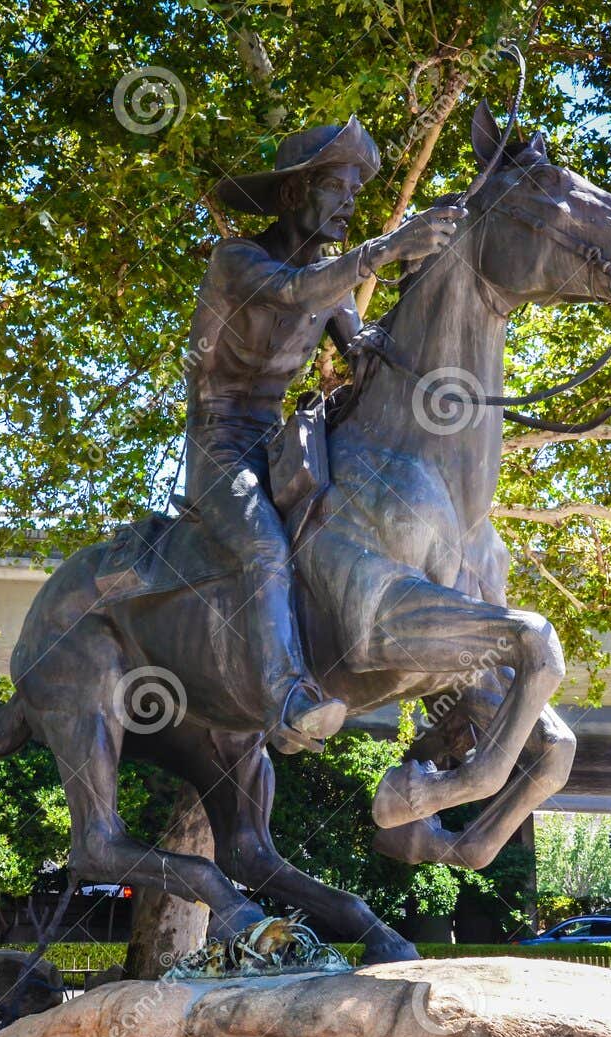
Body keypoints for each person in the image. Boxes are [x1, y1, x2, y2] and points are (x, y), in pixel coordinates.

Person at [186, 117, 465, 752]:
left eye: (355, 196)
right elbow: (289, 292)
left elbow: (370, 352)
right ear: (292, 195)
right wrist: (387, 248)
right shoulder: (238, 260)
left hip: (282, 442)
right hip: (220, 441)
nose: (348, 207)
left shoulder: (332, 284)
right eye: (336, 189)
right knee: (262, 544)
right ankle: (287, 699)